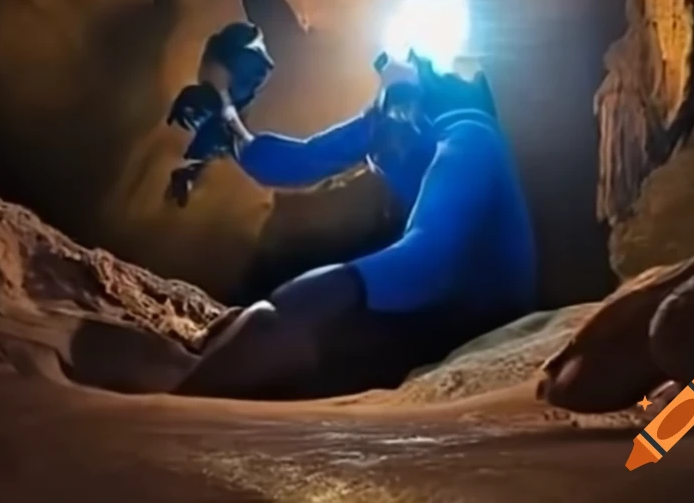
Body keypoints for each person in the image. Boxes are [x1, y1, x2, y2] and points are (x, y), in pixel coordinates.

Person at [174, 56, 538, 399]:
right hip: (433, 304)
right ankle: (178, 396)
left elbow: (429, 258)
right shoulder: (383, 125)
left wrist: (331, 288)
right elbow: (295, 161)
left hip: (480, 313)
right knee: (242, 327)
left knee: (286, 322)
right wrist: (225, 111)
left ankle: (167, 415)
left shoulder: (470, 136)